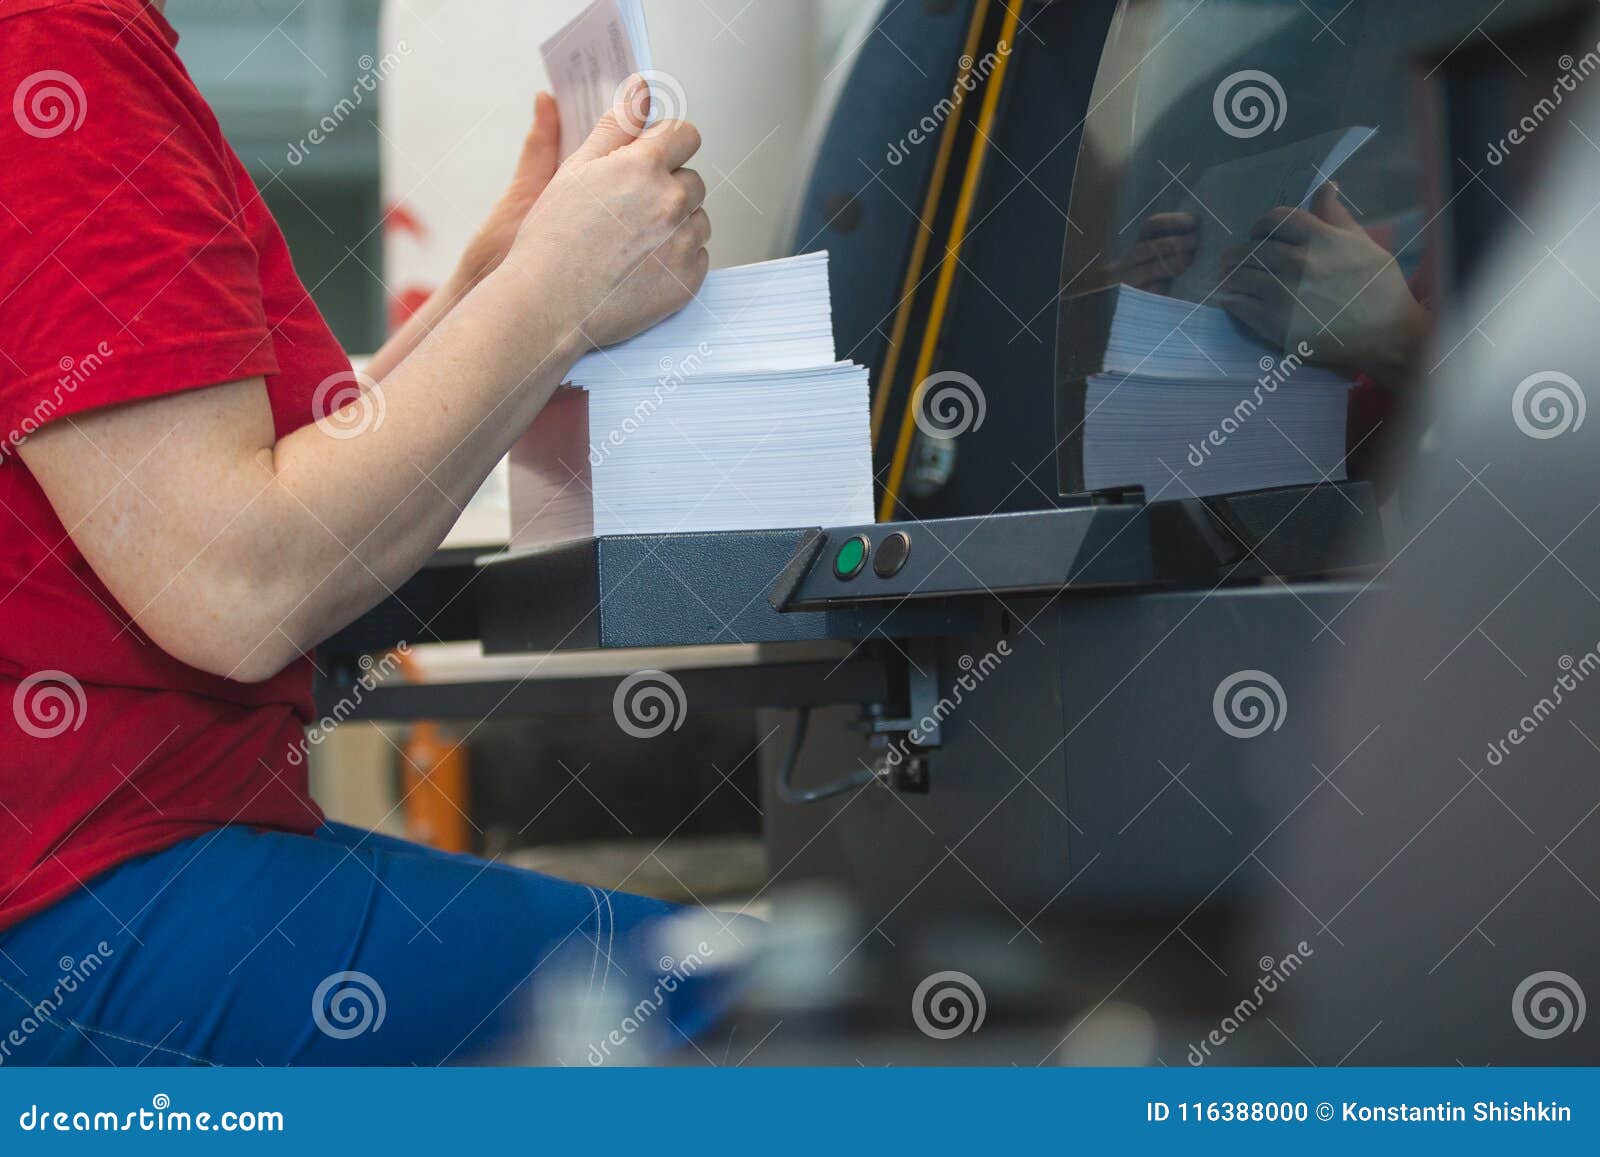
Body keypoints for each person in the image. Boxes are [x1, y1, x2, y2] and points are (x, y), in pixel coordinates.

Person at [0, 0, 744, 1065]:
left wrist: (491, 295)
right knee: (770, 1014)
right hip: (75, 907)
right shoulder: (48, 44)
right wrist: (553, 301)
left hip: (93, 872)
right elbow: (234, 585)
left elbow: (204, 457)